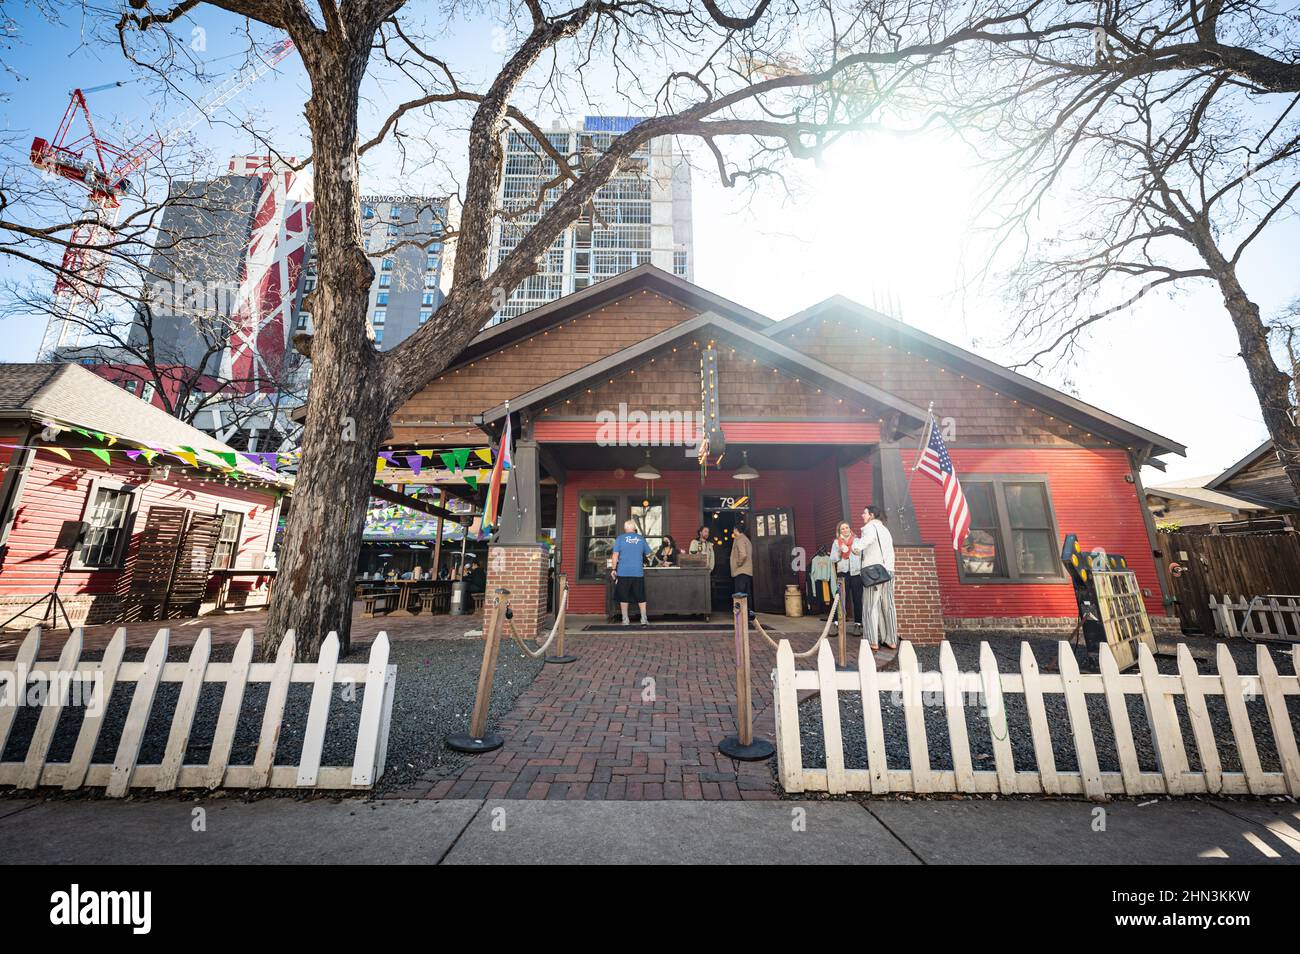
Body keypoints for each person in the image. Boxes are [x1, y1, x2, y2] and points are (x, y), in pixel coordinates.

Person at [856, 505, 898, 649]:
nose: (862, 515)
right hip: (889, 570)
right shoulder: (885, 529)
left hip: (873, 572)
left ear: (872, 515)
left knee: (870, 606)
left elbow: (868, 539)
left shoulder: (870, 527)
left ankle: (871, 640)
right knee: (888, 606)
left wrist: (856, 547)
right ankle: (891, 640)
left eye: (865, 513)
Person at [610, 519, 652, 626]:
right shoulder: (641, 538)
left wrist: (613, 569)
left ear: (625, 528)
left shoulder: (620, 539)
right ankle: (644, 619)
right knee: (641, 597)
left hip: (623, 572)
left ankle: (625, 620)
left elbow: (615, 555)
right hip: (638, 572)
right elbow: (649, 555)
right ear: (634, 528)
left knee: (624, 597)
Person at [830, 521, 864, 632]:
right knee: (840, 598)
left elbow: (863, 556)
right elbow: (833, 559)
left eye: (846, 527)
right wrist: (840, 551)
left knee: (857, 599)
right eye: (842, 528)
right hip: (843, 573)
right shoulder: (836, 543)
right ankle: (837, 623)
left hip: (856, 573)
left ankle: (858, 624)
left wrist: (858, 553)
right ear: (839, 531)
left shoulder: (857, 541)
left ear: (850, 529)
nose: (845, 530)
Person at [729, 518, 754, 617]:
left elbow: (743, 555)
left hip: (741, 571)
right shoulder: (746, 539)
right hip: (747, 571)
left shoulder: (739, 539)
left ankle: (739, 617)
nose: (733, 531)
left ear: (736, 529)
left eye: (733, 529)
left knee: (739, 595)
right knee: (747, 595)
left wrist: (738, 564)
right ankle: (748, 615)